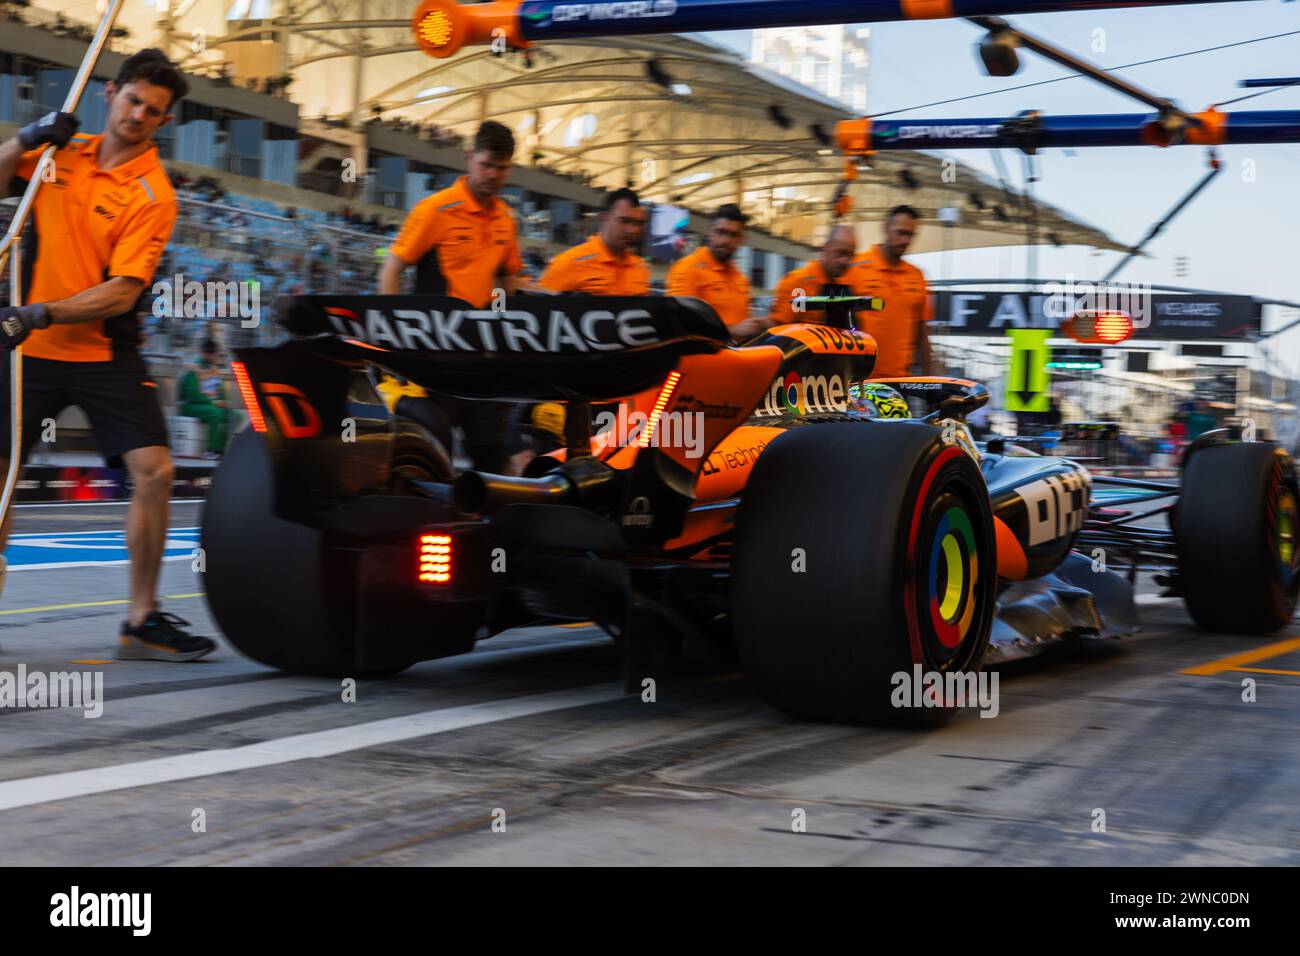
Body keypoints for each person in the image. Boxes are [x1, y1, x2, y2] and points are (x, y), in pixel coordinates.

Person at [0, 49, 216, 661]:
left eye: (154, 110)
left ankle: (140, 621)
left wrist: (41, 311)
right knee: (1, 481)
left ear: (165, 122)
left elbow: (123, 291)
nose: (139, 115)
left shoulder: (154, 193)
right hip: (27, 347)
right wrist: (27, 137)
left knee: (157, 472)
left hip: (98, 349)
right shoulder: (58, 152)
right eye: (133, 100)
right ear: (110, 92)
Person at [377, 121, 540, 473]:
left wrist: (558, 297)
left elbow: (509, 281)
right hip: (433, 358)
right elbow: (390, 270)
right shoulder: (435, 210)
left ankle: (491, 524)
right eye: (486, 165)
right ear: (468, 159)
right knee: (434, 456)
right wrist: (394, 346)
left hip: (481, 360)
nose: (493, 175)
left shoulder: (506, 220)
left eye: (502, 167)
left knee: (494, 460)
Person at [843, 205, 934, 379]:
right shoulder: (855, 268)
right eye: (900, 232)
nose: (905, 240)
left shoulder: (917, 276)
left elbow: (922, 335)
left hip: (899, 383)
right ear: (885, 228)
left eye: (910, 235)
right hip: (859, 382)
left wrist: (934, 385)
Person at [666, 204, 762, 339]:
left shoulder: (740, 278)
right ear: (709, 232)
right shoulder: (687, 268)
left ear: (741, 240)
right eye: (721, 232)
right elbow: (679, 325)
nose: (726, 240)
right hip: (701, 358)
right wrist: (732, 330)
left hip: (736, 357)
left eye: (734, 235)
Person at [539, 187, 649, 295]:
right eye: (624, 221)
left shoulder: (640, 267)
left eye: (638, 223)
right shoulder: (570, 263)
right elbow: (538, 307)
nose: (632, 230)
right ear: (604, 218)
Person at [766, 224, 858, 328]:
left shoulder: (843, 287)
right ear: (825, 249)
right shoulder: (799, 283)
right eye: (841, 253)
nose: (845, 261)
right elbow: (776, 329)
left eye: (850, 256)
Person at [178, 339, 230, 459]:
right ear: (204, 353)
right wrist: (214, 402)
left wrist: (224, 402)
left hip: (209, 405)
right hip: (191, 406)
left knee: (235, 415)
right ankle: (210, 450)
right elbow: (192, 395)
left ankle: (220, 449)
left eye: (216, 353)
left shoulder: (214, 371)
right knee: (215, 413)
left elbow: (220, 393)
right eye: (213, 353)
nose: (215, 356)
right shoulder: (193, 370)